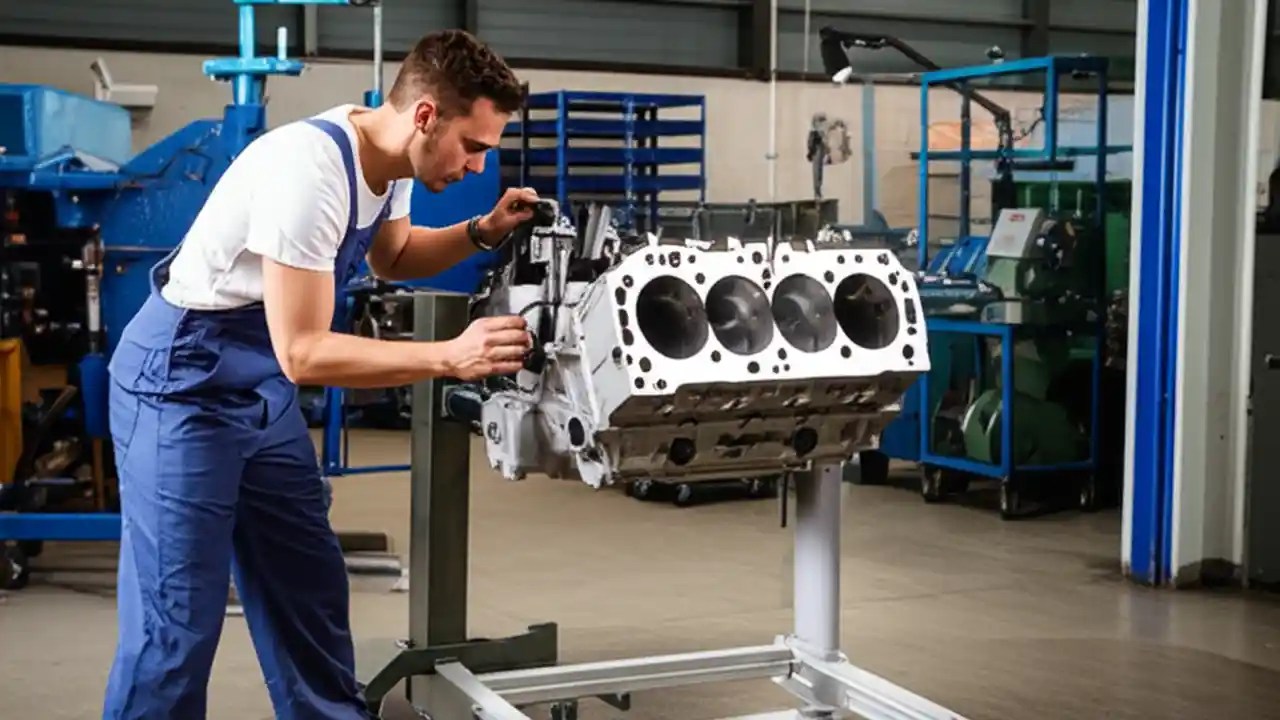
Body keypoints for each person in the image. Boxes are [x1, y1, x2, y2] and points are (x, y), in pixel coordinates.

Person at [102, 29, 535, 719]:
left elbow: (394, 256)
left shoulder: (390, 160)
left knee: (307, 585)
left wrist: (482, 231)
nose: (479, 165)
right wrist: (449, 355)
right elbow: (303, 352)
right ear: (426, 116)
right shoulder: (311, 172)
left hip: (259, 384)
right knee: (176, 623)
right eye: (473, 145)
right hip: (182, 384)